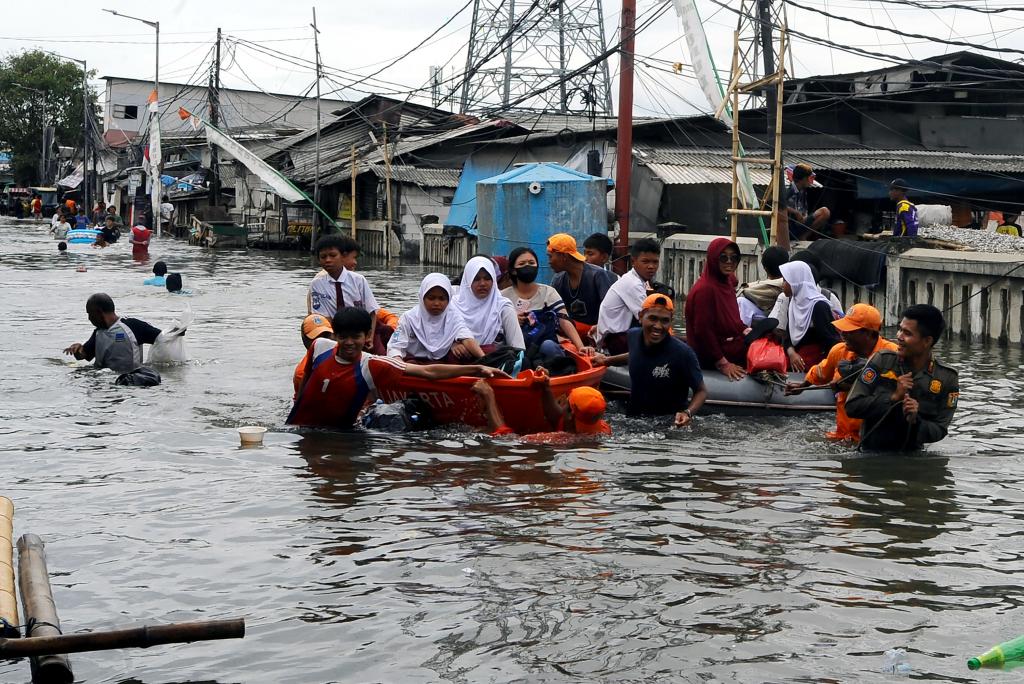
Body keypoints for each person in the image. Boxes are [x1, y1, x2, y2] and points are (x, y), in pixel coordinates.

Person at [288, 307, 506, 429]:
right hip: (299, 428)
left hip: (338, 435)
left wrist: (476, 369)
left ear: (367, 337)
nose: (349, 343)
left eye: (356, 337)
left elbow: (428, 372)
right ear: (335, 336)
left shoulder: (371, 365)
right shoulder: (319, 346)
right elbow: (304, 383)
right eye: (343, 337)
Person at [846, 304, 959, 451]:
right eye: (900, 329)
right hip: (870, 454)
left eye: (907, 333)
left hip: (913, 460)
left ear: (927, 341)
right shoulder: (882, 361)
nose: (899, 336)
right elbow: (852, 406)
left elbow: (940, 429)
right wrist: (892, 398)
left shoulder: (946, 378)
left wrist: (915, 420)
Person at [786, 303, 898, 442]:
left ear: (868, 333)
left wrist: (851, 386)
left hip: (875, 438)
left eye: (850, 331)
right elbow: (821, 371)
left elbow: (899, 394)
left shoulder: (893, 355)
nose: (843, 334)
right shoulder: (839, 351)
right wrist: (802, 386)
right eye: (843, 329)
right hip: (844, 437)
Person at [594, 294, 707, 427]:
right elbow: (636, 354)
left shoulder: (683, 353)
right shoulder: (633, 336)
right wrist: (606, 361)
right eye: (653, 318)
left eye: (664, 321)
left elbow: (701, 391)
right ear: (641, 317)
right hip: (633, 419)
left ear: (670, 322)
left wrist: (687, 413)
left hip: (667, 425)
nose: (658, 326)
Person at [502, 246, 587, 355]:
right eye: (522, 264)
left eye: (531, 263)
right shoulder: (503, 297)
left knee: (549, 346)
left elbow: (564, 320)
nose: (527, 266)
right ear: (513, 270)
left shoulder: (548, 292)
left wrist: (580, 347)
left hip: (546, 351)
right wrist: (511, 321)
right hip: (515, 352)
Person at [684, 238, 747, 380]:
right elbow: (703, 331)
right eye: (723, 257)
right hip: (712, 356)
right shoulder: (705, 289)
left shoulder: (726, 282)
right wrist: (723, 363)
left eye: (734, 258)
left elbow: (732, 320)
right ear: (713, 259)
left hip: (731, 344)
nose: (729, 262)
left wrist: (745, 330)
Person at [471, 374, 610, 437]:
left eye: (564, 401)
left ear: (570, 414)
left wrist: (489, 397)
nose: (560, 401)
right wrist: (546, 388)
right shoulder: (603, 429)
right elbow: (559, 418)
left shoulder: (558, 440)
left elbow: (507, 441)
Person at [307, 234, 382, 351]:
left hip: (360, 334)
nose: (328, 260)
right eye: (323, 257)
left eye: (332, 255)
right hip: (334, 336)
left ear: (343, 256)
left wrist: (369, 337)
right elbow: (324, 318)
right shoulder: (317, 284)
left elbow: (371, 312)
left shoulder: (358, 280)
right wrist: (338, 342)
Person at [388, 273, 483, 362]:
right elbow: (395, 347)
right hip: (415, 364)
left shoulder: (453, 316)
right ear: (422, 298)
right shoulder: (409, 318)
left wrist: (485, 360)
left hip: (443, 366)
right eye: (431, 298)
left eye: (442, 299)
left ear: (449, 299)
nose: (437, 303)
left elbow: (466, 337)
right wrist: (400, 365)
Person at [63, 293, 162, 378]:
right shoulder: (98, 333)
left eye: (90, 314)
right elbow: (82, 355)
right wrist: (77, 349)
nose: (89, 318)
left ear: (99, 312)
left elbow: (163, 337)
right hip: (102, 377)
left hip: (130, 379)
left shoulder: (133, 326)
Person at [595, 237, 660, 354]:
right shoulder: (632, 283)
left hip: (616, 338)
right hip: (615, 342)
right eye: (645, 262)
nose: (651, 266)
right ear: (633, 261)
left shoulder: (635, 280)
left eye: (655, 262)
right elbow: (651, 318)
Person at [772, 261, 841, 371]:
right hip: (796, 359)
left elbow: (830, 341)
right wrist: (792, 354)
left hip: (816, 363)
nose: (782, 284)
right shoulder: (794, 303)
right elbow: (788, 338)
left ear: (796, 281)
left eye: (786, 280)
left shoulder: (818, 306)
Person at [548, 233, 616, 342]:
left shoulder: (597, 275)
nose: (549, 261)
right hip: (570, 336)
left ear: (563, 256)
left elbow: (611, 310)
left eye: (551, 256)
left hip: (597, 336)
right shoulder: (558, 280)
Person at [452, 255, 524, 355]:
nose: (482, 283)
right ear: (468, 281)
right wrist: (453, 345)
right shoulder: (453, 305)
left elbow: (518, 347)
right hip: (460, 365)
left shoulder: (503, 307)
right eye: (476, 279)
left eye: (487, 278)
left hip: (494, 363)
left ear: (494, 280)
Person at [736, 246, 788, 326]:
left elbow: (745, 291)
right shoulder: (788, 280)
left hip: (771, 319)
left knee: (741, 301)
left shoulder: (779, 284)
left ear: (765, 268)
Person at [293, 313, 334, 399]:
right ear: (305, 341)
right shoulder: (302, 373)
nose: (323, 341)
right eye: (316, 338)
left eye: (326, 335)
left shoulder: (343, 351)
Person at [786, 164, 830, 242]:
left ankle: (803, 236)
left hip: (800, 222)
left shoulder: (802, 190)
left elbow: (803, 209)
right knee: (824, 211)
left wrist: (804, 216)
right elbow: (779, 205)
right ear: (803, 179)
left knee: (824, 212)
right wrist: (796, 213)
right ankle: (801, 237)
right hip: (790, 227)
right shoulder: (789, 190)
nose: (811, 181)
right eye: (809, 178)